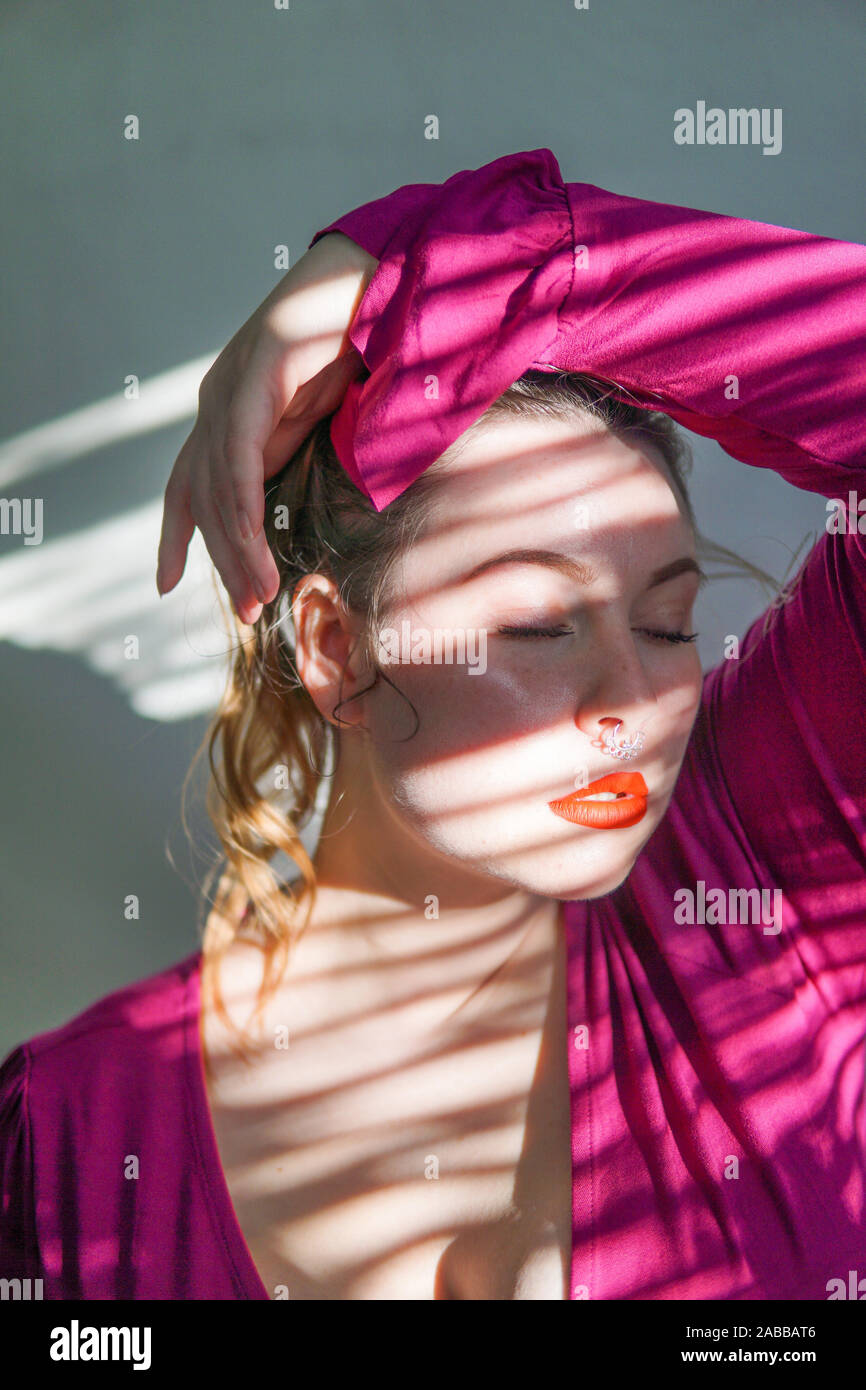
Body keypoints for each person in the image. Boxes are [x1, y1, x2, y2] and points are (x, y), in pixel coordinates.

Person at [1, 149, 864, 1301]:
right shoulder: (65, 1138)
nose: (632, 703)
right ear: (333, 648)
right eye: (536, 624)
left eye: (667, 625)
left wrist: (466, 264)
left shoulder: (761, 875)